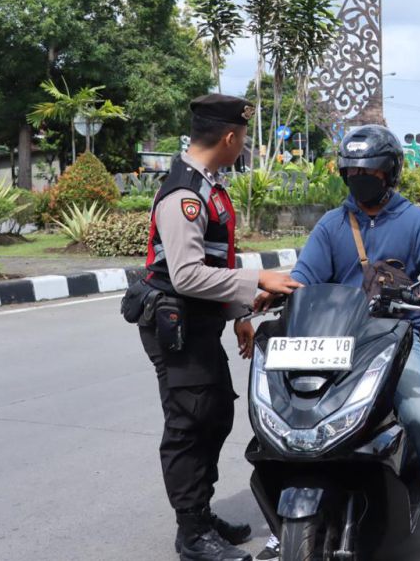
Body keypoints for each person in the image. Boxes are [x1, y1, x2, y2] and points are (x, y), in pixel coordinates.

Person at [254, 125, 420, 561]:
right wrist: (277, 291)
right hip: (335, 338)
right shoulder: (333, 225)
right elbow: (306, 277)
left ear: (389, 173)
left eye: (368, 171)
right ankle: (282, 519)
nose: (360, 179)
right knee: (282, 414)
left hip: (395, 337)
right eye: (351, 173)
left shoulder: (415, 221)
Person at [139, 94, 302, 561]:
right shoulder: (184, 195)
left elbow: (215, 262)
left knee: (214, 415)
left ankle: (201, 513)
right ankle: (191, 533)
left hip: (200, 319)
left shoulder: (208, 184)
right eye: (244, 137)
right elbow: (187, 274)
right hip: (175, 323)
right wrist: (259, 279)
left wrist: (239, 315)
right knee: (190, 422)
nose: (244, 145)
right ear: (229, 137)